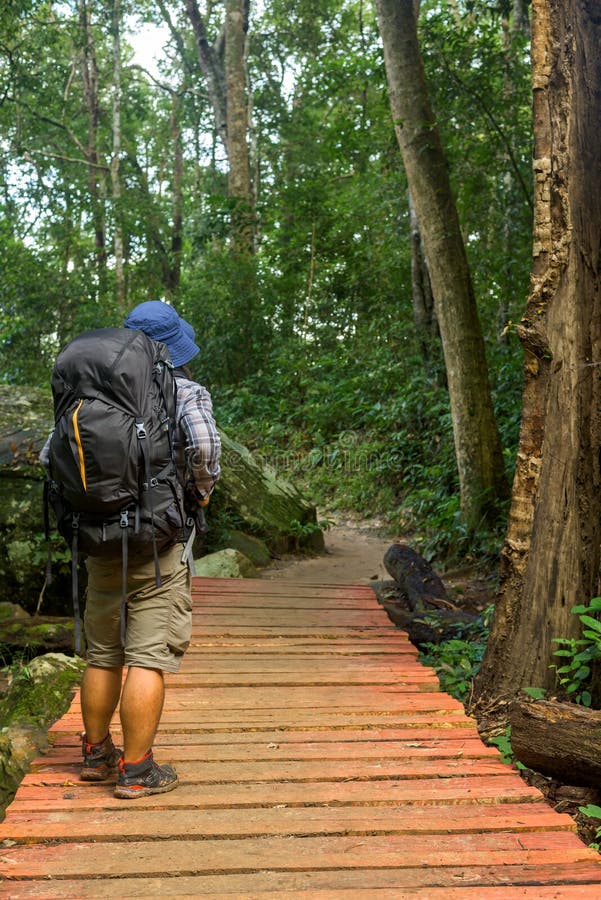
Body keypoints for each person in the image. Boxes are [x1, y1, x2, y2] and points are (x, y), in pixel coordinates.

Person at [45, 301, 221, 799]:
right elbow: (205, 450)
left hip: (98, 538)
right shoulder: (184, 389)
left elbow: (49, 456)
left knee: (102, 653)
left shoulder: (85, 390)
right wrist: (199, 493)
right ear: (175, 345)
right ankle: (138, 770)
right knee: (147, 655)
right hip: (157, 542)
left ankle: (96, 755)